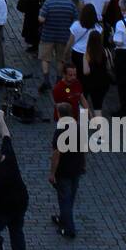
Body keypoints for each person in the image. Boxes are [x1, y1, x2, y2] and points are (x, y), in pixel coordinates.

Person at [49, 102, 84, 239]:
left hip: (64, 171)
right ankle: (64, 218)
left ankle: (69, 229)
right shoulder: (78, 128)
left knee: (64, 200)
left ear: (59, 114)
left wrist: (52, 173)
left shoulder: (60, 131)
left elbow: (56, 154)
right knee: (70, 197)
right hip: (76, 168)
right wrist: (83, 165)